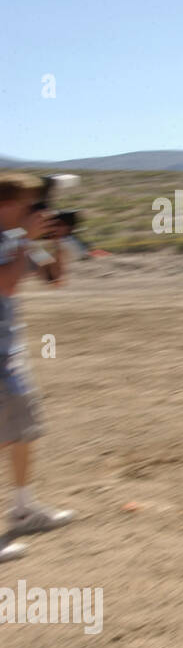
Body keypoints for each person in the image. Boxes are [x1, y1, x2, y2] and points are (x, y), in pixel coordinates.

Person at [0, 172, 75, 544]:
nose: (37, 211)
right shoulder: (11, 240)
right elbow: (6, 284)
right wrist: (28, 239)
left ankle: (24, 507)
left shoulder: (19, 239)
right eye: (31, 205)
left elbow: (55, 278)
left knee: (22, 430)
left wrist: (55, 241)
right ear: (8, 205)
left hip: (7, 355)